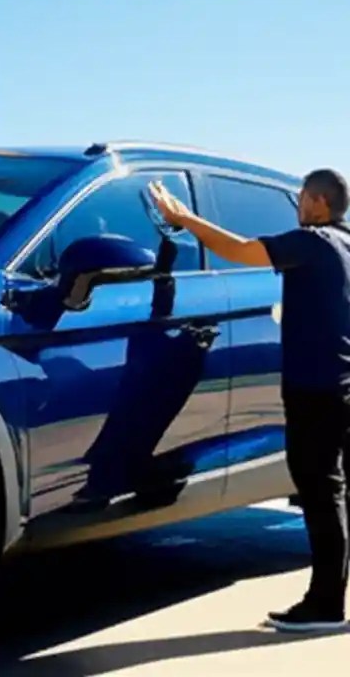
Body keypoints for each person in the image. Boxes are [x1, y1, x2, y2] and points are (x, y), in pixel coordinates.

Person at [149, 169, 350, 633]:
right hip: (341, 385)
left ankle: (325, 606)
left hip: (317, 389)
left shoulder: (314, 240)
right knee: (332, 491)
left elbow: (237, 251)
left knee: (320, 493)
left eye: (301, 199)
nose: (297, 208)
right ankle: (331, 598)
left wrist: (183, 218)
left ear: (318, 203)